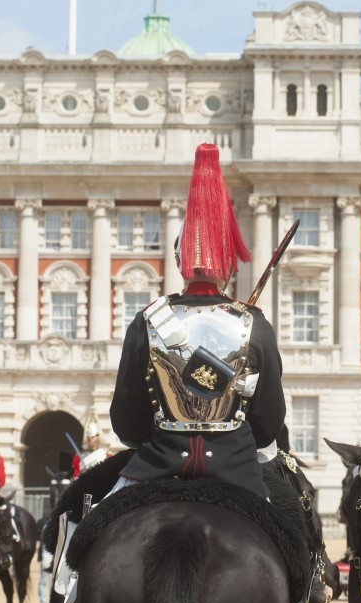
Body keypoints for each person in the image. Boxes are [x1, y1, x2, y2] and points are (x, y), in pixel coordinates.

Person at [107, 142, 286, 498]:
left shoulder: (147, 320)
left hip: (155, 467)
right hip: (239, 473)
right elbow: (268, 424)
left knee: (80, 530)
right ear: (231, 264)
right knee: (298, 539)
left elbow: (126, 420)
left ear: (178, 261)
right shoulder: (254, 324)